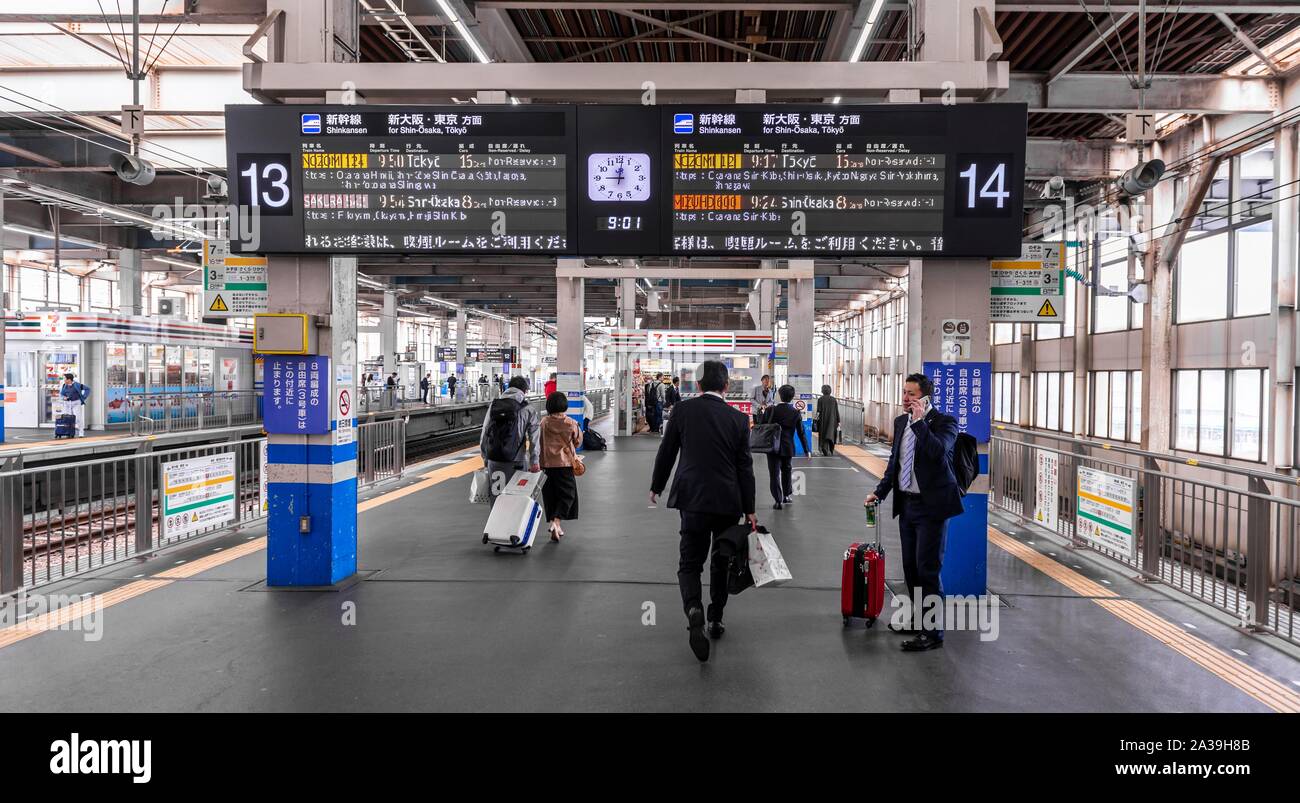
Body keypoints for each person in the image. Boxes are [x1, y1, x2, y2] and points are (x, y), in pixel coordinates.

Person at [650, 360, 757, 663]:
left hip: (692, 499)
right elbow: (744, 468)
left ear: (697, 386)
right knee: (720, 563)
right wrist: (749, 509)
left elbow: (667, 451)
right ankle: (716, 618)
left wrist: (657, 486)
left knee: (689, 563)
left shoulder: (682, 411)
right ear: (726, 387)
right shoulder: (738, 420)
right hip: (728, 501)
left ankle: (693, 607)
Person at [864, 372, 963, 652]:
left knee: (928, 570)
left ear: (925, 397)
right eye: (904, 393)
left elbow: (937, 451)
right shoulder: (900, 422)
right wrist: (880, 492)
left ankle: (932, 633)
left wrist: (920, 423)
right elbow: (895, 464)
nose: (906, 398)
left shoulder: (945, 423)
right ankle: (919, 621)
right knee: (910, 569)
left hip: (932, 508)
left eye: (911, 394)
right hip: (907, 505)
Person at [479, 376, 541, 500]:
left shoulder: (494, 405)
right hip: (517, 460)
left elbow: (485, 432)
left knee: (496, 497)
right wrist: (534, 461)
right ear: (525, 390)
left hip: (494, 459)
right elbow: (534, 437)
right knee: (516, 498)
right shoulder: (527, 407)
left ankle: (496, 519)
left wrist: (485, 457)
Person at [539, 391, 581, 542]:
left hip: (546, 465)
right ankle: (556, 522)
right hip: (564, 465)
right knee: (568, 495)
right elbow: (577, 442)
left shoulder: (543, 422)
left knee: (550, 496)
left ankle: (555, 525)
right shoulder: (570, 423)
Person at [763, 384, 811, 510]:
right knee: (787, 471)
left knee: (774, 474)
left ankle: (778, 500)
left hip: (772, 447)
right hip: (788, 447)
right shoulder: (795, 413)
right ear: (792, 397)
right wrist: (807, 450)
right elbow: (801, 432)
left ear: (779, 395)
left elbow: (762, 426)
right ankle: (786, 496)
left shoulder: (770, 410)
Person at [815, 385, 840, 456]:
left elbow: (818, 411)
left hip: (823, 420)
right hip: (832, 420)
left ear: (822, 391)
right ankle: (831, 449)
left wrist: (815, 419)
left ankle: (824, 449)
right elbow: (836, 411)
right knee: (831, 434)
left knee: (823, 434)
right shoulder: (833, 399)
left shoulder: (820, 399)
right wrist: (838, 421)